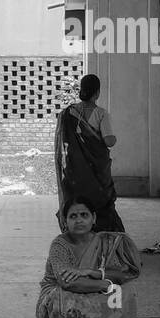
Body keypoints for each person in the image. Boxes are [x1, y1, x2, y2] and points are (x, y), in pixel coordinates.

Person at [37, 196, 141, 318]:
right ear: (65, 222)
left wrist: (95, 272)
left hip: (92, 287)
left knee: (125, 291)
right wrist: (106, 284)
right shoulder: (59, 245)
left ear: (94, 218)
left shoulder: (105, 242)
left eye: (84, 215)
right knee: (65, 297)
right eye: (73, 216)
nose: (79, 220)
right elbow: (68, 282)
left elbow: (123, 273)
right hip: (60, 293)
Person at [55, 74, 124, 233]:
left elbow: (65, 141)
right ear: (97, 93)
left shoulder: (68, 113)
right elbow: (108, 141)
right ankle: (98, 231)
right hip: (96, 170)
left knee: (75, 198)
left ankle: (75, 231)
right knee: (99, 200)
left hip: (74, 168)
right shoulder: (101, 114)